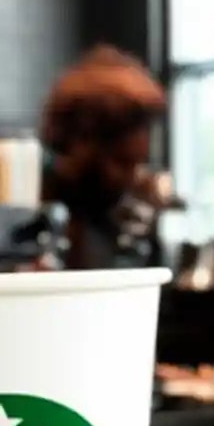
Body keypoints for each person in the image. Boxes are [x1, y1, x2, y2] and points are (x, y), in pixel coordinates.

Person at [38, 45, 170, 270]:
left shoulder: (123, 214)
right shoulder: (36, 222)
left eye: (138, 164)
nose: (131, 177)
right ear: (79, 144)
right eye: (123, 163)